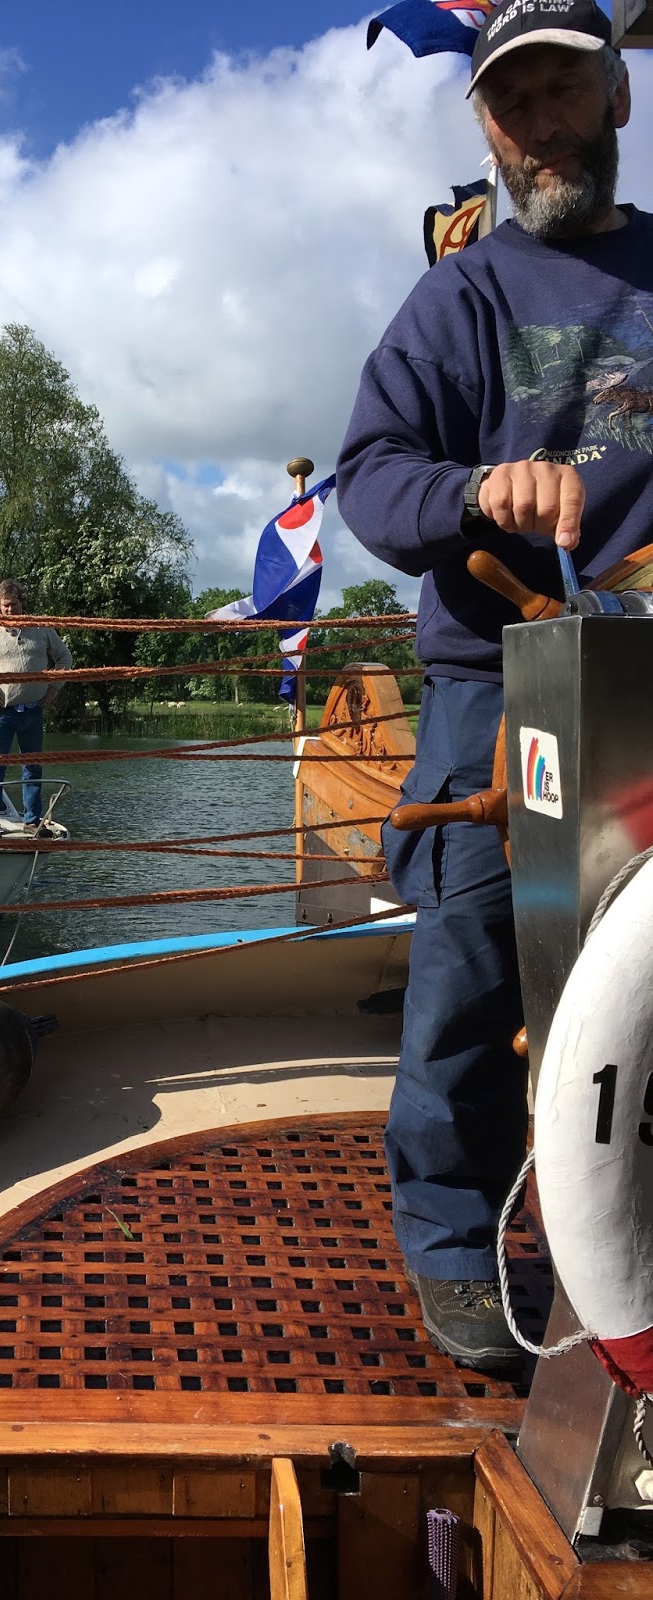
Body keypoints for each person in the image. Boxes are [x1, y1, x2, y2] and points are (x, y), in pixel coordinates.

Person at [336, 0, 653, 1372]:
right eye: (512, 101)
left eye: (563, 93)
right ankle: (460, 1245)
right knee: (471, 971)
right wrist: (478, 484)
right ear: (483, 123)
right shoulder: (460, 296)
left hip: (648, 669)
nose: (541, 124)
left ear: (616, 102)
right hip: (496, 685)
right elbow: (371, 476)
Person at [0, 579, 73, 837]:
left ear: (22, 603)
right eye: (5, 606)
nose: (10, 610)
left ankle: (32, 821)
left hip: (33, 709)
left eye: (14, 605)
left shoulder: (41, 628)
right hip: (2, 711)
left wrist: (55, 686)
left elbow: (64, 657)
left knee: (33, 767)